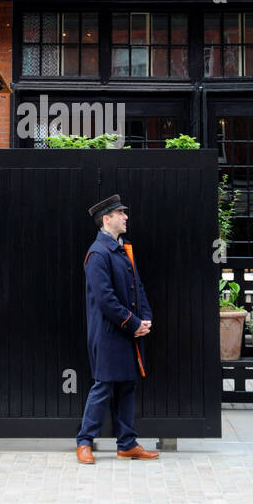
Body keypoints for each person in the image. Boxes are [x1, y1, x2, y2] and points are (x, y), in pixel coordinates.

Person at [75, 194, 160, 463]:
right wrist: (133, 323)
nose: (126, 217)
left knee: (127, 386)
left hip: (128, 332)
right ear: (106, 218)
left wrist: (144, 317)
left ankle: (126, 444)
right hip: (110, 333)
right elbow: (106, 299)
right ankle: (84, 441)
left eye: (124, 212)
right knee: (104, 386)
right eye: (120, 213)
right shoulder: (97, 253)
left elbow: (138, 287)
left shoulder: (123, 248)